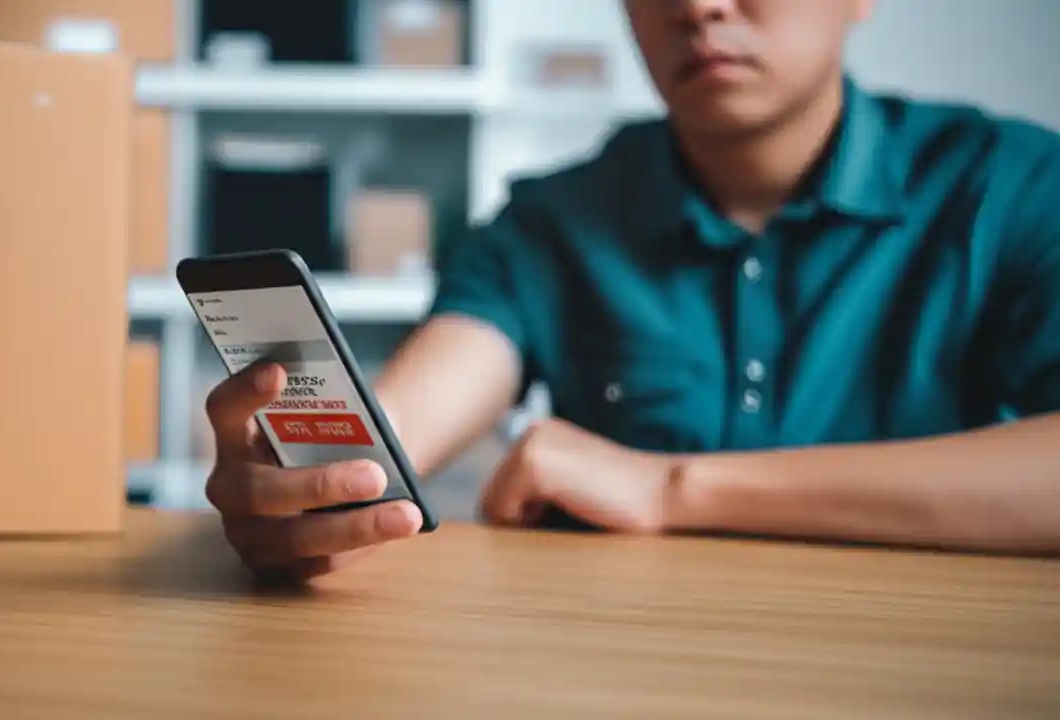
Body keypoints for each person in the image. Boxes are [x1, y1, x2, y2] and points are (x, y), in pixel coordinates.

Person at [204, 0, 1060, 578]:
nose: (699, 6)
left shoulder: (1010, 188)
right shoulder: (552, 220)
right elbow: (404, 427)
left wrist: (670, 487)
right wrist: (309, 495)